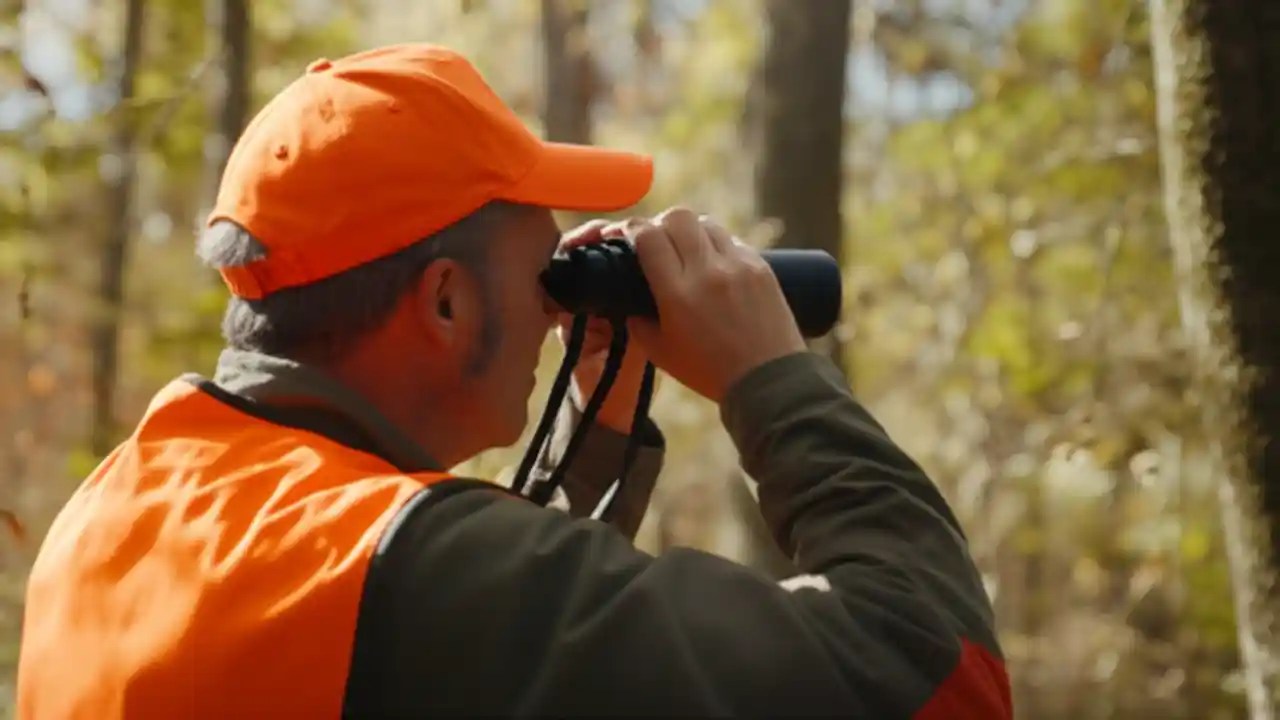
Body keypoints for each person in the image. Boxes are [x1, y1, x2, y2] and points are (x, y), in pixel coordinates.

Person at [16, 43, 1011, 718]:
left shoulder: (113, 512)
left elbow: (459, 659)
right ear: (445, 302)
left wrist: (593, 432)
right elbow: (932, 676)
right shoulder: (409, 571)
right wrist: (771, 378)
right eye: (539, 270)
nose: (551, 306)